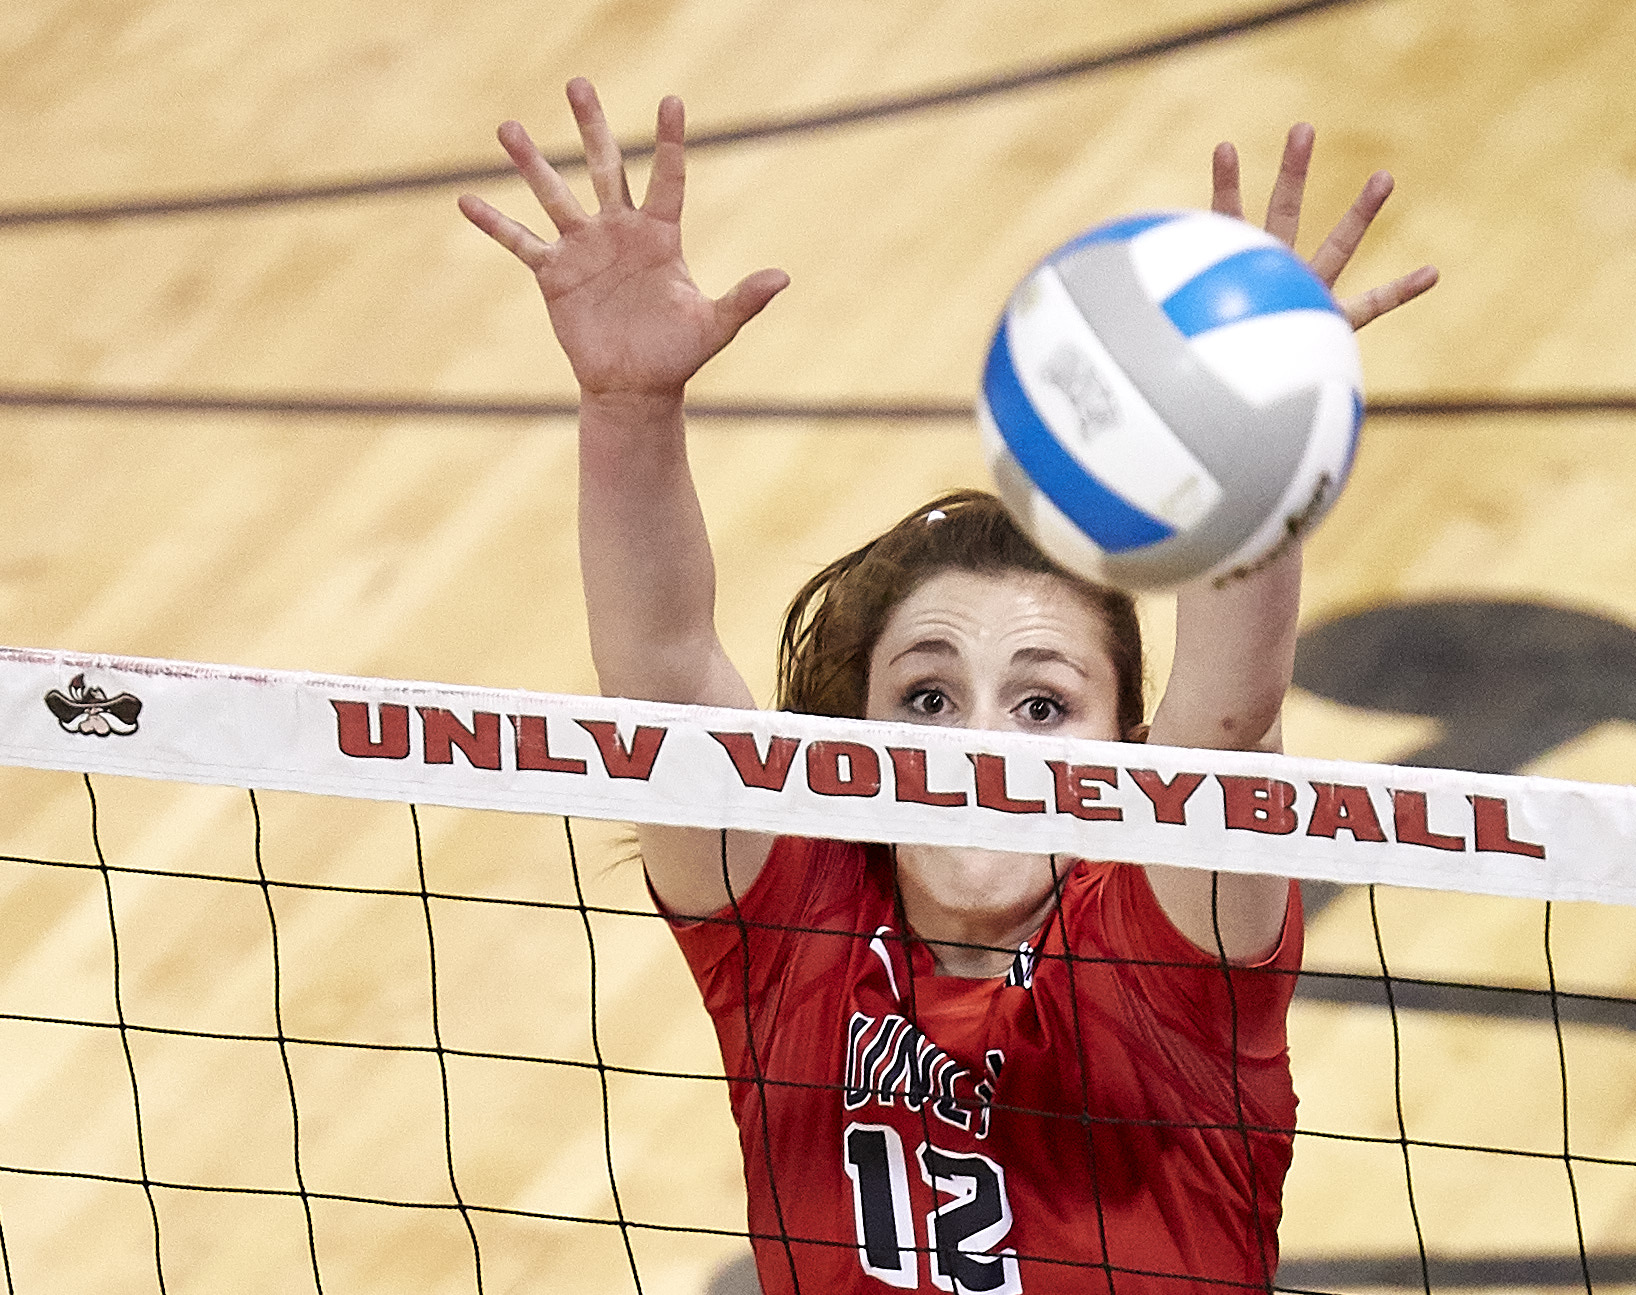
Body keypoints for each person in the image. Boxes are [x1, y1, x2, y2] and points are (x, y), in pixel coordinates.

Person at [461, 78, 1435, 1295]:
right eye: (926, 696)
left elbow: (1229, 715)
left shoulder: (1164, 955)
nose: (980, 744)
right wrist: (627, 403)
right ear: (851, 738)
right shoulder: (793, 927)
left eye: (1042, 705)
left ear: (1128, 756)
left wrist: (1250, 439)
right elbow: (660, 661)